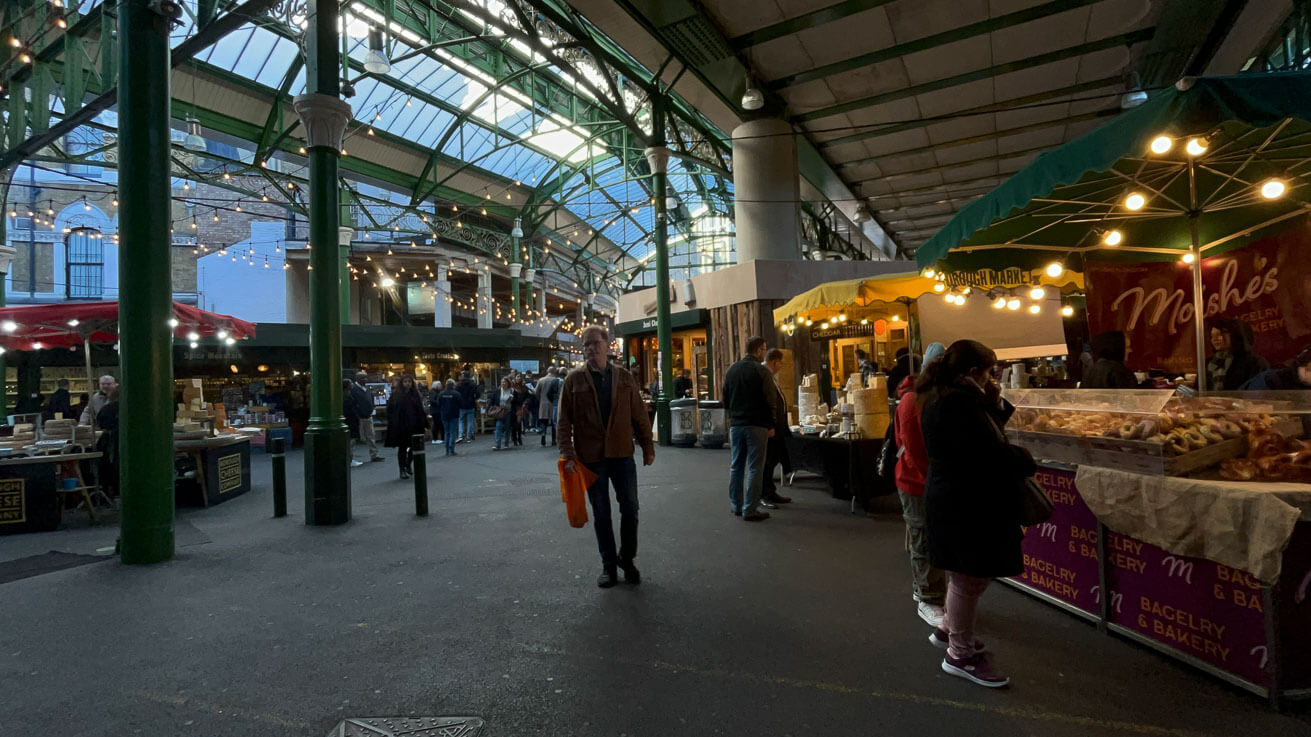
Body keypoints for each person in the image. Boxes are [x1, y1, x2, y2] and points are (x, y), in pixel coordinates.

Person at [919, 340, 1036, 688]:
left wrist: (993, 400)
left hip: (957, 500)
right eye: (989, 372)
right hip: (964, 503)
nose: (991, 378)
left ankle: (949, 629)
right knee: (969, 577)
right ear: (972, 372)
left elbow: (986, 433)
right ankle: (960, 654)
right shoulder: (956, 404)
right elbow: (984, 454)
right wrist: (1025, 460)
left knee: (968, 574)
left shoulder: (949, 396)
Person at [558, 325, 655, 588]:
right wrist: (568, 455)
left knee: (631, 509)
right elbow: (563, 421)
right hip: (591, 456)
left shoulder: (624, 377)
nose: (590, 348)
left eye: (594, 343)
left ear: (607, 344)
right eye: (586, 345)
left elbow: (638, 413)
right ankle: (608, 565)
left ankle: (627, 558)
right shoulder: (573, 380)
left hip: (622, 453)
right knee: (601, 513)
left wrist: (648, 446)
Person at [894, 341, 948, 629]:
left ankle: (935, 593)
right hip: (917, 481)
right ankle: (927, 595)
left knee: (930, 536)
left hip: (931, 479)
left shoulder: (936, 397)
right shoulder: (912, 401)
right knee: (923, 537)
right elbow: (915, 450)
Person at [723, 336, 777, 522]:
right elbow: (770, 400)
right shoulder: (762, 371)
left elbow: (725, 397)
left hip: (736, 424)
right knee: (755, 467)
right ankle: (750, 509)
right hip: (757, 424)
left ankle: (736, 505)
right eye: (764, 349)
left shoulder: (732, 370)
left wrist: (733, 415)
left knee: (736, 466)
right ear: (759, 350)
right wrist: (771, 424)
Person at [760, 348, 792, 506]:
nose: (781, 367)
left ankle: (770, 491)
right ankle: (764, 493)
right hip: (770, 427)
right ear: (774, 362)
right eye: (780, 363)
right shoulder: (764, 375)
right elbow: (767, 402)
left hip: (777, 425)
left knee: (773, 459)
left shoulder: (771, 376)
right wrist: (770, 424)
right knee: (767, 461)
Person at [384, 374, 428, 479]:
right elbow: (390, 409)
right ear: (402, 383)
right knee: (402, 448)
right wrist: (392, 421)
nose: (407, 384)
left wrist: (424, 423)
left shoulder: (415, 394)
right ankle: (402, 469)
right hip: (401, 425)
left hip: (414, 424)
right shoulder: (396, 395)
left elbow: (420, 409)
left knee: (415, 447)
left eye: (409, 381)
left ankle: (408, 464)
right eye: (405, 382)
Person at [1207, 318, 1266, 390]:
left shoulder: (1254, 362)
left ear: (1235, 334)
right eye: (1212, 336)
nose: (1214, 339)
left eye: (1220, 334)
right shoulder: (1207, 363)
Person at [349, 372, 383, 464]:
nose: (365, 380)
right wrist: (357, 413)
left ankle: (374, 455)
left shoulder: (367, 389)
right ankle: (350, 458)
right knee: (354, 438)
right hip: (359, 417)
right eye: (363, 378)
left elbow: (371, 399)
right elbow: (352, 404)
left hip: (368, 416)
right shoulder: (353, 390)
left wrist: (372, 407)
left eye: (366, 378)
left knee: (371, 435)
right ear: (357, 379)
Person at [95, 388, 120, 499]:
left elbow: (100, 423)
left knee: (108, 466)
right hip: (117, 440)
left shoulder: (105, 409)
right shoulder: (127, 409)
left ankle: (109, 490)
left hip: (107, 441)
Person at [433, 379, 463, 457]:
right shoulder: (456, 394)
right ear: (453, 385)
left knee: (447, 432)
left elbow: (438, 403)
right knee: (452, 432)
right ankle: (451, 449)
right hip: (454, 414)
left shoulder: (441, 394)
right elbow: (460, 403)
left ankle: (447, 450)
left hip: (444, 415)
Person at [535, 367, 563, 446]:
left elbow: (536, 392)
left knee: (544, 421)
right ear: (555, 371)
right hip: (554, 403)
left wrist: (540, 399)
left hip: (543, 403)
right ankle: (553, 440)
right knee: (554, 422)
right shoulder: (557, 380)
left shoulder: (541, 380)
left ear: (547, 371)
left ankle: (543, 436)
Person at [489, 377, 515, 451]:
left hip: (508, 412)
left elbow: (516, 401)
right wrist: (489, 408)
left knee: (507, 428)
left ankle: (506, 443)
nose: (503, 383)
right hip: (499, 412)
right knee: (498, 427)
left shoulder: (512, 391)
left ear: (508, 383)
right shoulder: (497, 391)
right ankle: (497, 445)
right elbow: (493, 400)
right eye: (502, 382)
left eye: (504, 382)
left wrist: (512, 399)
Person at [456, 371, 480, 443]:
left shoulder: (459, 385)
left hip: (462, 405)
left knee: (461, 421)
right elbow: (478, 394)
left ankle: (460, 435)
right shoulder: (473, 384)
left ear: (463, 376)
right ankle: (468, 436)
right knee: (470, 421)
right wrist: (474, 398)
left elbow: (457, 394)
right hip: (471, 404)